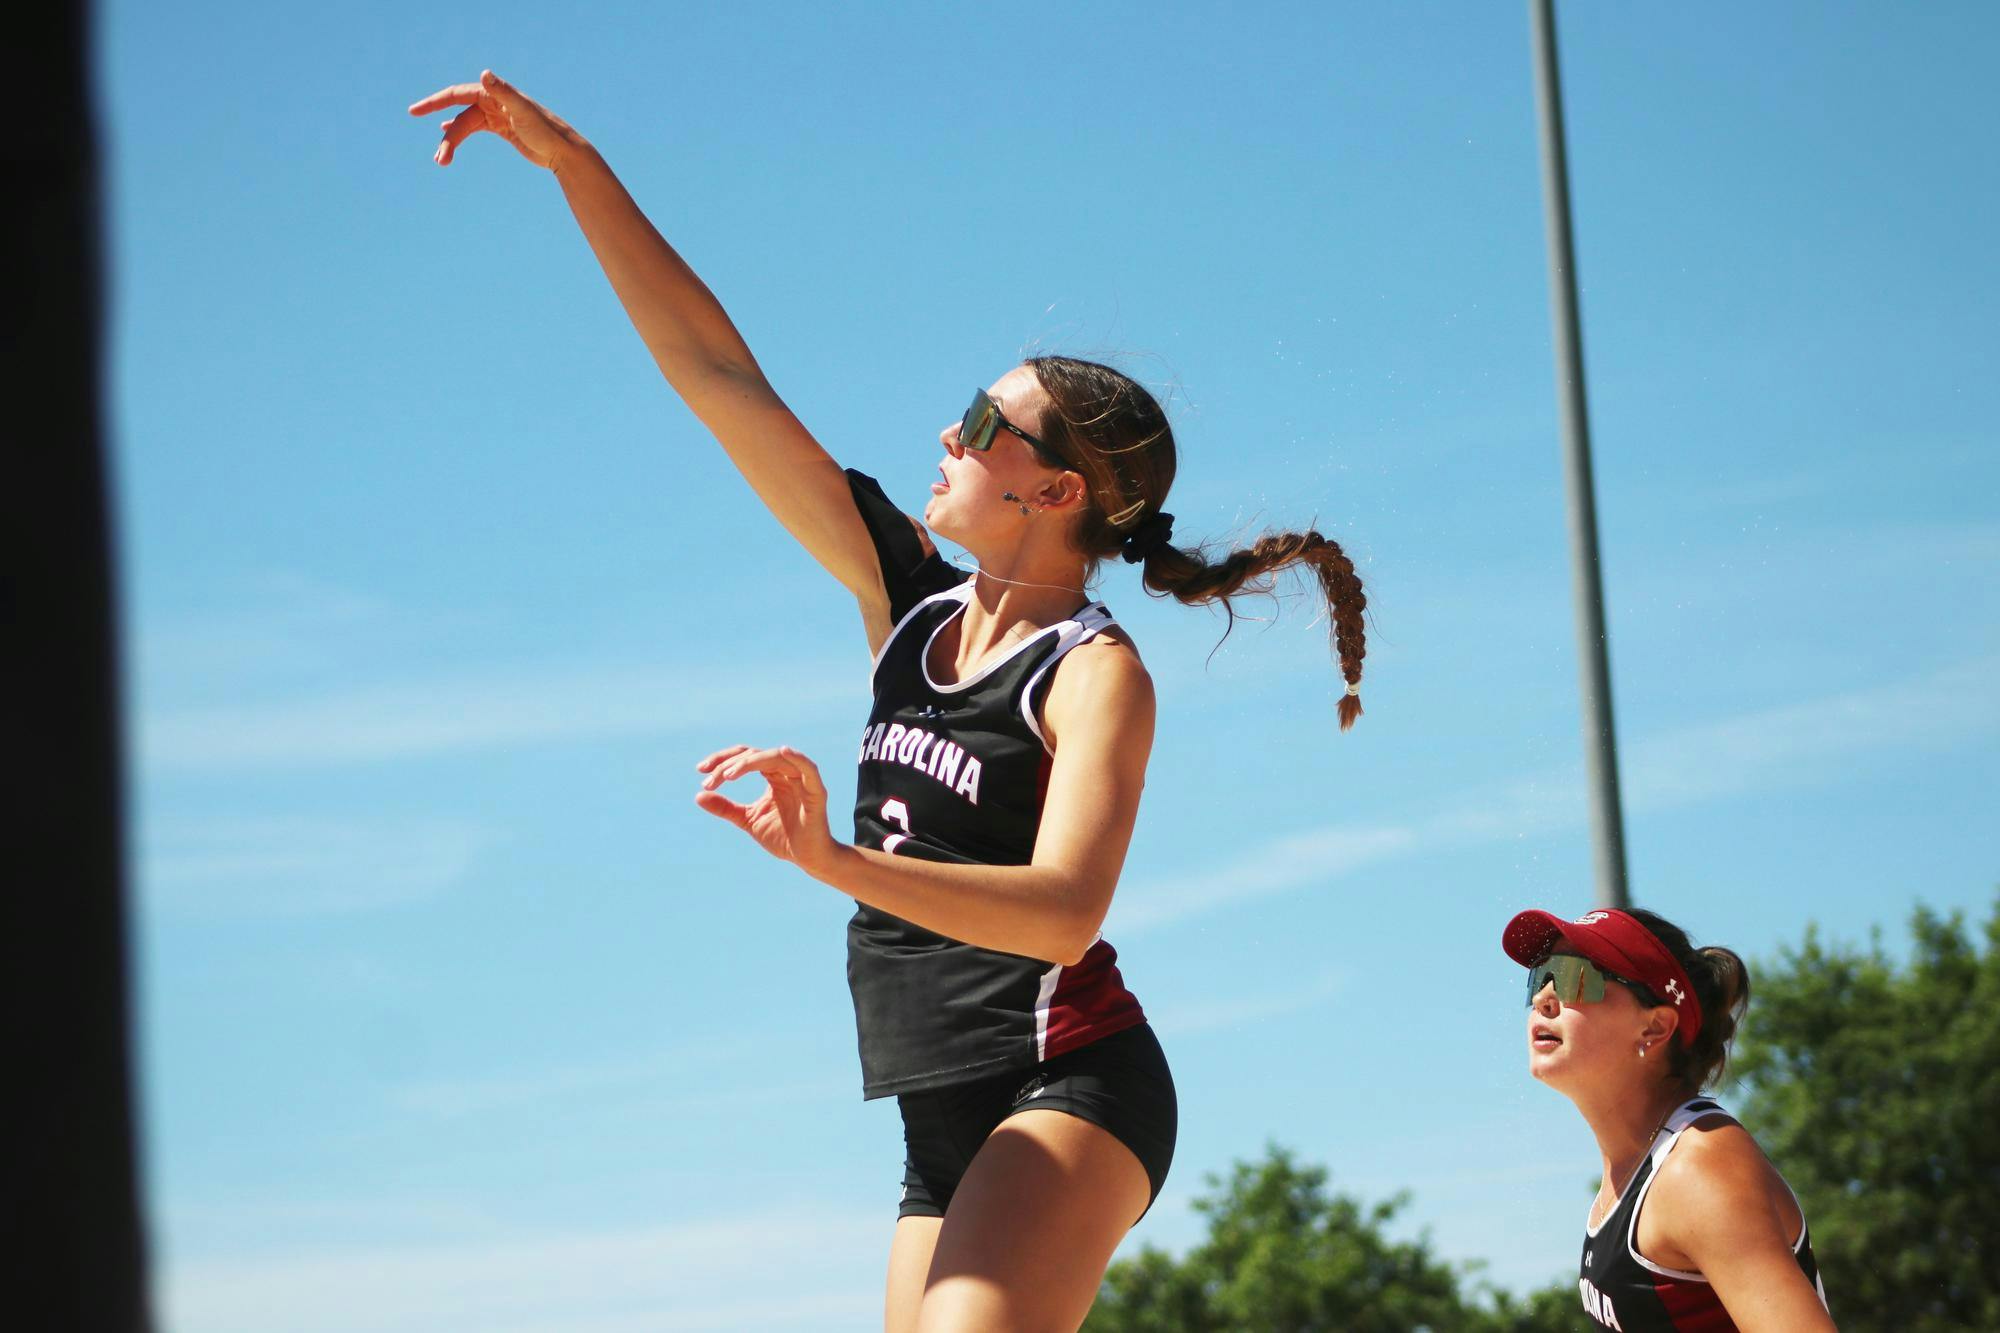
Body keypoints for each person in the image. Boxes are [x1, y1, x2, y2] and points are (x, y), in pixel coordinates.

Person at [412, 71, 1369, 1332]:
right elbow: (718, 378)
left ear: (1059, 490)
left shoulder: (1093, 672)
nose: (950, 432)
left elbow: (1065, 914)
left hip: (1069, 1080)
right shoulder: (907, 602)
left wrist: (835, 860)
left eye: (986, 423)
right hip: (942, 1105)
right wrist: (573, 163)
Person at [1503, 906, 1835, 1332]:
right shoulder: (1635, 1171)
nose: (1543, 998)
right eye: (1541, 976)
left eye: (1575, 977)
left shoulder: (1699, 1164)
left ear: (1655, 1028)